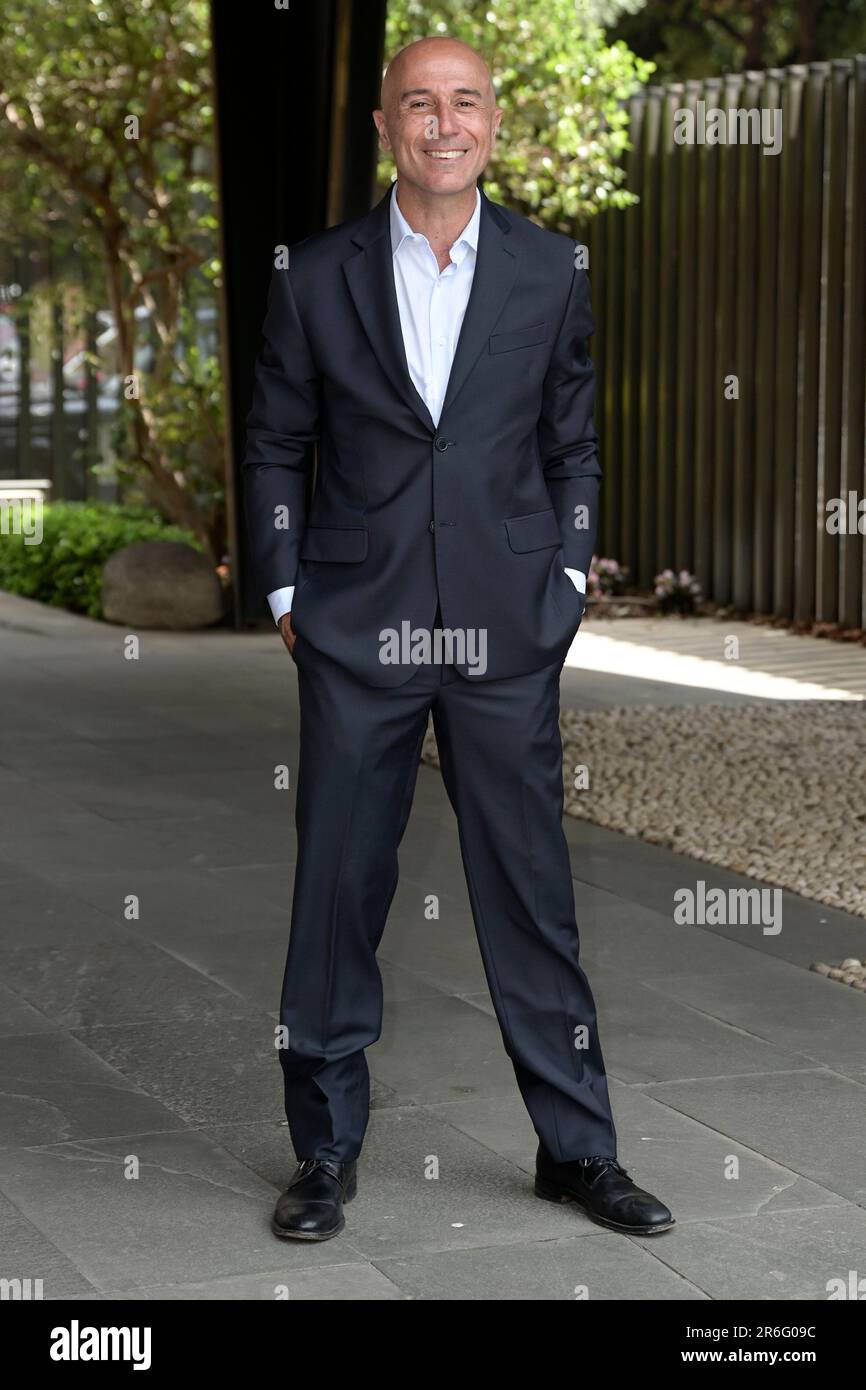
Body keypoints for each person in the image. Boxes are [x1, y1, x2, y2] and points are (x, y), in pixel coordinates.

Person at [243, 35, 674, 1243]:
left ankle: (576, 1151)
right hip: (355, 622)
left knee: (530, 892)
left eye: (465, 102)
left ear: (492, 123)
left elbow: (569, 439)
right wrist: (284, 590)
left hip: (505, 622)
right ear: (384, 126)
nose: (443, 123)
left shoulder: (550, 268)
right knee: (336, 888)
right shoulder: (316, 273)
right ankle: (322, 1152)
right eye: (417, 104)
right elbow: (276, 438)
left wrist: (568, 573)